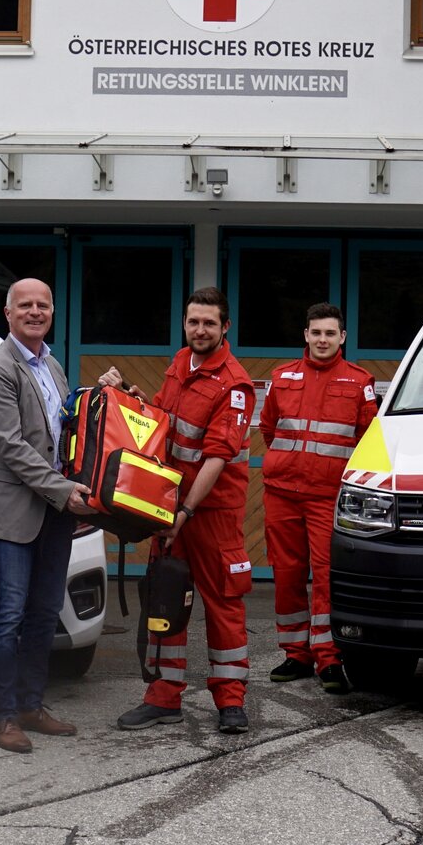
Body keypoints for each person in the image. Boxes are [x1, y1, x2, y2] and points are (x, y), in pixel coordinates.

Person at [0, 278, 121, 754]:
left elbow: (64, 425)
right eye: (26, 305)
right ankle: (5, 716)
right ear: (8, 313)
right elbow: (12, 446)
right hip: (15, 512)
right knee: (9, 616)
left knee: (43, 614)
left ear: (52, 311)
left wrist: (97, 395)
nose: (35, 312)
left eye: (43, 305)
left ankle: (33, 705)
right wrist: (63, 489)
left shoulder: (50, 366)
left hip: (54, 513)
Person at [116, 287, 257, 736]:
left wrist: (186, 512)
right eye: (193, 321)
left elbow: (216, 456)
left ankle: (231, 701)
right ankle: (162, 698)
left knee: (223, 606)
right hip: (170, 505)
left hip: (210, 513)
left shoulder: (235, 384)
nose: (200, 330)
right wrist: (129, 395)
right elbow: (162, 421)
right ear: (184, 323)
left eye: (209, 323)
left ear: (225, 327)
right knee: (165, 599)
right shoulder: (180, 364)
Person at [259, 302, 379, 695]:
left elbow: (368, 442)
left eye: (330, 333)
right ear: (305, 335)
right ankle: (297, 654)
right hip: (282, 493)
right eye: (316, 332)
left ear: (342, 337)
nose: (323, 339)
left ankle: (329, 657)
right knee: (287, 574)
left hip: (327, 496)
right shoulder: (281, 377)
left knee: (327, 577)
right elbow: (268, 428)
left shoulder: (359, 381)